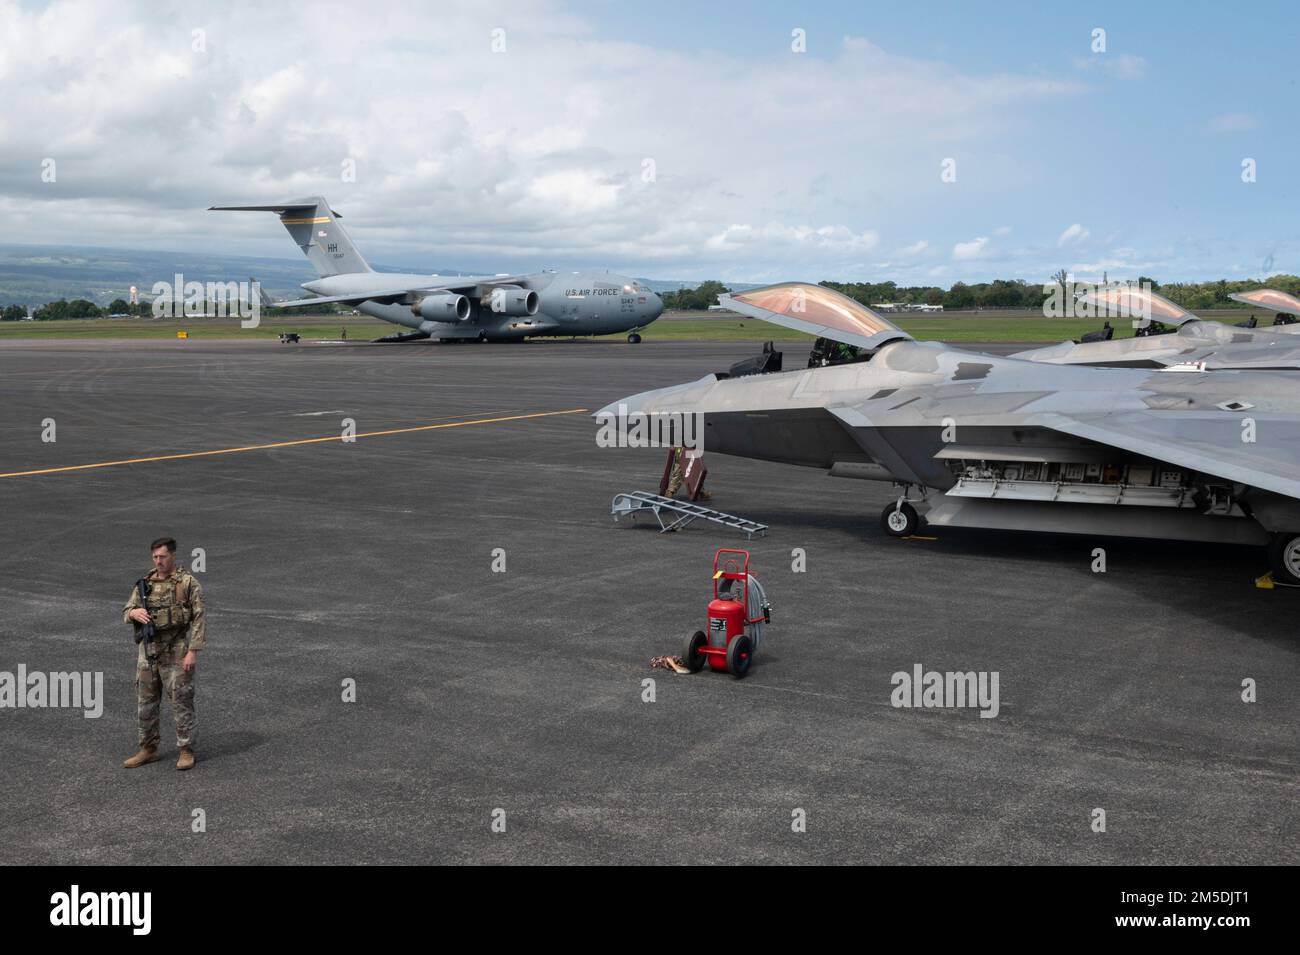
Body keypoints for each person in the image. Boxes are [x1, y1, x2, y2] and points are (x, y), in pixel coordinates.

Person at [120, 537, 205, 771]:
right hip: (148, 652)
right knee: (145, 702)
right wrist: (134, 613)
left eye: (163, 556)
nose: (159, 561)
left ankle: (186, 749)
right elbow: (126, 610)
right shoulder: (144, 584)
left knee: (181, 700)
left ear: (173, 556)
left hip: (177, 649)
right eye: (155, 557)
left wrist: (193, 651)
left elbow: (199, 618)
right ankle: (148, 748)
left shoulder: (187, 583)